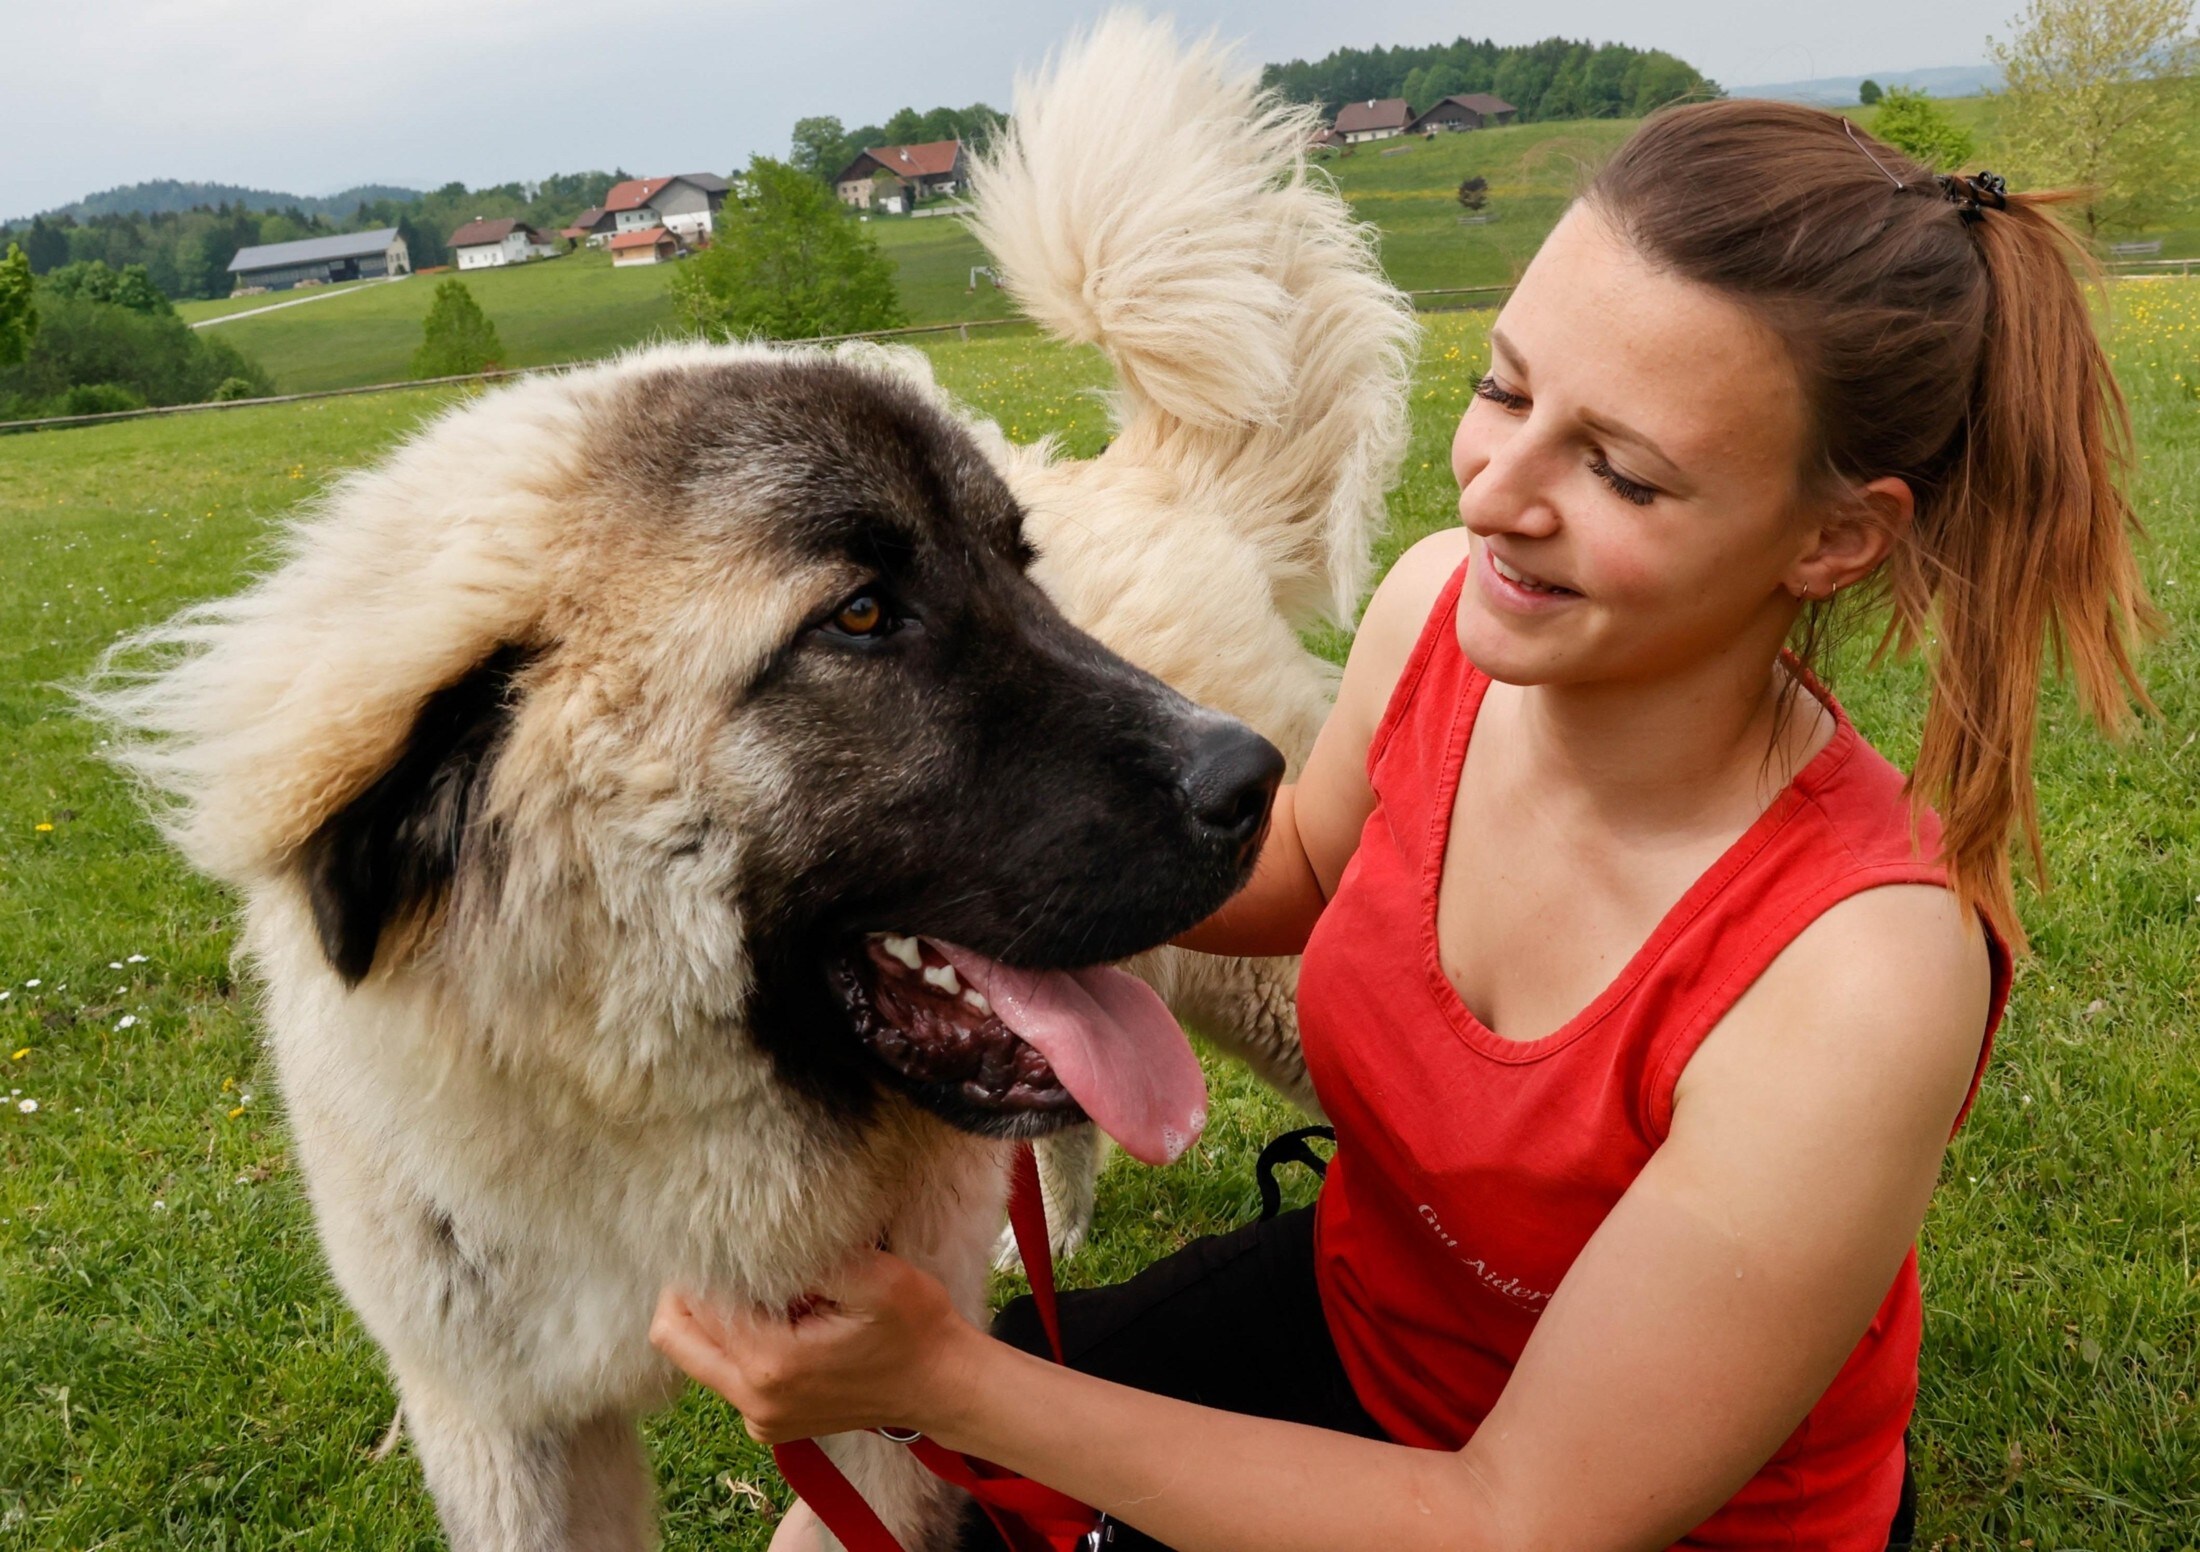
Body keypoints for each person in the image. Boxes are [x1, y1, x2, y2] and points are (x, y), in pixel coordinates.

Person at [648, 100, 2151, 1551]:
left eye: (1618, 471)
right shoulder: (1441, 611)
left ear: (1835, 539)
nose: (1497, 491)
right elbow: (1301, 869)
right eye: (1503, 389)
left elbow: (1524, 1520)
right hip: (1362, 1319)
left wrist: (948, 1385)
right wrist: (991, 851)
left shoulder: (1859, 976)